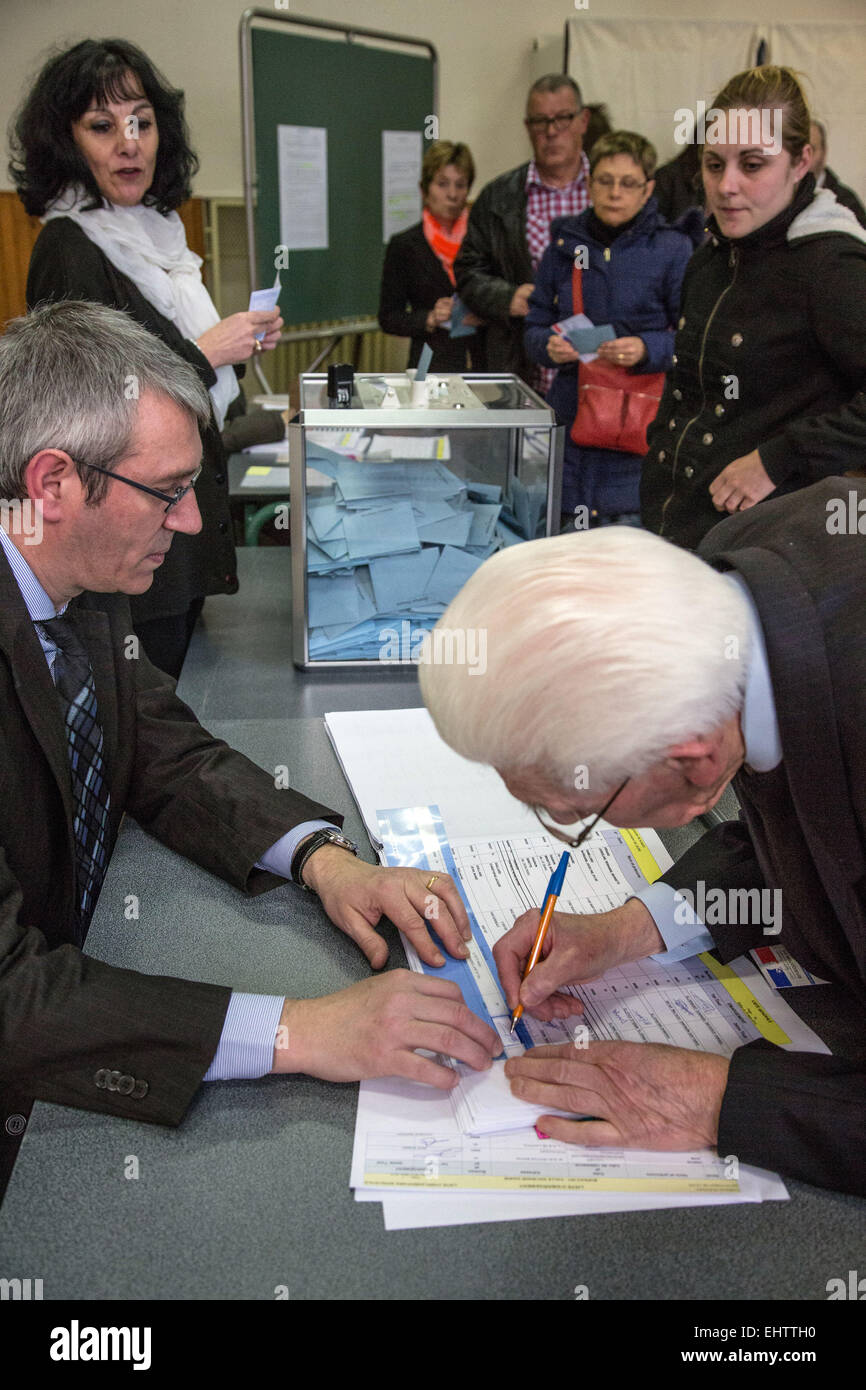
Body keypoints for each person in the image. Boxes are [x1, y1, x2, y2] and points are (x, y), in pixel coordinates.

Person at [0, 302, 498, 1202]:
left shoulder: (78, 571)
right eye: (167, 490)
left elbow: (162, 749)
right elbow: (11, 996)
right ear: (54, 482)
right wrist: (300, 1032)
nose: (190, 522)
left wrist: (324, 859)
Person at [418, 489, 866, 1196]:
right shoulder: (738, 589)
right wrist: (631, 930)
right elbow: (812, 824)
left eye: (576, 812)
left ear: (697, 763)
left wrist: (725, 1101)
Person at [9, 38, 284, 679]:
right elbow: (93, 414)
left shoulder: (160, 237)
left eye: (142, 122)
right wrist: (208, 350)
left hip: (177, 535)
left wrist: (232, 347)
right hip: (126, 549)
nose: (128, 142)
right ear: (68, 143)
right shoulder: (70, 245)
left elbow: (176, 368)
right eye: (102, 126)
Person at [641, 65, 866, 551]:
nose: (726, 186)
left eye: (753, 164)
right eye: (714, 164)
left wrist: (780, 457)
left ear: (801, 161)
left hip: (768, 556)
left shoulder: (832, 263)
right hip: (675, 532)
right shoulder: (709, 257)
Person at [524, 131, 692, 526]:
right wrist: (547, 346)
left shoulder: (673, 249)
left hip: (640, 429)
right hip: (570, 422)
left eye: (628, 183)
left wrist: (648, 349)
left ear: (647, 189)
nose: (615, 192)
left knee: (625, 557)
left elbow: (695, 341)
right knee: (565, 551)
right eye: (605, 180)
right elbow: (533, 325)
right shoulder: (564, 246)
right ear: (589, 184)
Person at [455, 74, 591, 388]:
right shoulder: (498, 196)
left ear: (583, 121)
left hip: (596, 375)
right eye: (540, 122)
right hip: (520, 364)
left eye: (563, 119)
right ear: (527, 127)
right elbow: (467, 270)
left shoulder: (611, 191)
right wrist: (507, 297)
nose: (551, 132)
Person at [378, 140, 480, 371]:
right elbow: (388, 317)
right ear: (424, 190)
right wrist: (430, 318)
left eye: (461, 185)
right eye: (442, 184)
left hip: (480, 360)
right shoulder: (405, 245)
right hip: (429, 363)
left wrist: (483, 311)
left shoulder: (482, 239)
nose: (452, 194)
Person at [808, 118, 866, 228]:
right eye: (798, 151)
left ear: (824, 152)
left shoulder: (846, 203)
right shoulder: (781, 198)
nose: (804, 158)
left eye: (811, 150)